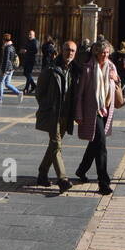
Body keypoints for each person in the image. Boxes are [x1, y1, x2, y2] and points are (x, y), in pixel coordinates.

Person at [72, 39, 120, 195]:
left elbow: (118, 85)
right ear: (96, 53)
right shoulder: (88, 69)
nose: (105, 55)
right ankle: (103, 182)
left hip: (106, 109)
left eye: (107, 52)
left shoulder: (111, 66)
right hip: (92, 111)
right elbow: (79, 94)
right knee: (101, 145)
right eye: (102, 52)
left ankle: (81, 169)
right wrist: (78, 114)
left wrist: (116, 78)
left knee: (95, 142)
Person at [35, 39, 76, 192]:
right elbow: (39, 92)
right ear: (61, 51)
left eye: (72, 51)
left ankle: (42, 173)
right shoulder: (50, 69)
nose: (69, 53)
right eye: (67, 50)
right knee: (56, 144)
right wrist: (48, 106)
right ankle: (63, 179)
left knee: (54, 145)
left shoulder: (74, 70)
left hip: (66, 114)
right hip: (53, 113)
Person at [0, 33, 22, 102]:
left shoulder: (7, 48)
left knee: (1, 82)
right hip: (11, 68)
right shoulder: (12, 47)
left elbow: (6, 59)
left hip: (6, 68)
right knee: (7, 83)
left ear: (4, 40)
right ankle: (18, 92)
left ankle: (0, 99)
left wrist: (4, 70)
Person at [22, 30, 39, 94]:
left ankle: (26, 88)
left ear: (34, 35)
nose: (29, 35)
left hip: (31, 60)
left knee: (28, 73)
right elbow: (26, 48)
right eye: (29, 34)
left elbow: (35, 51)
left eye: (30, 34)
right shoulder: (28, 41)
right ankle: (34, 85)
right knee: (25, 73)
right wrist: (23, 50)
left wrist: (27, 51)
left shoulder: (35, 41)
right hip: (26, 59)